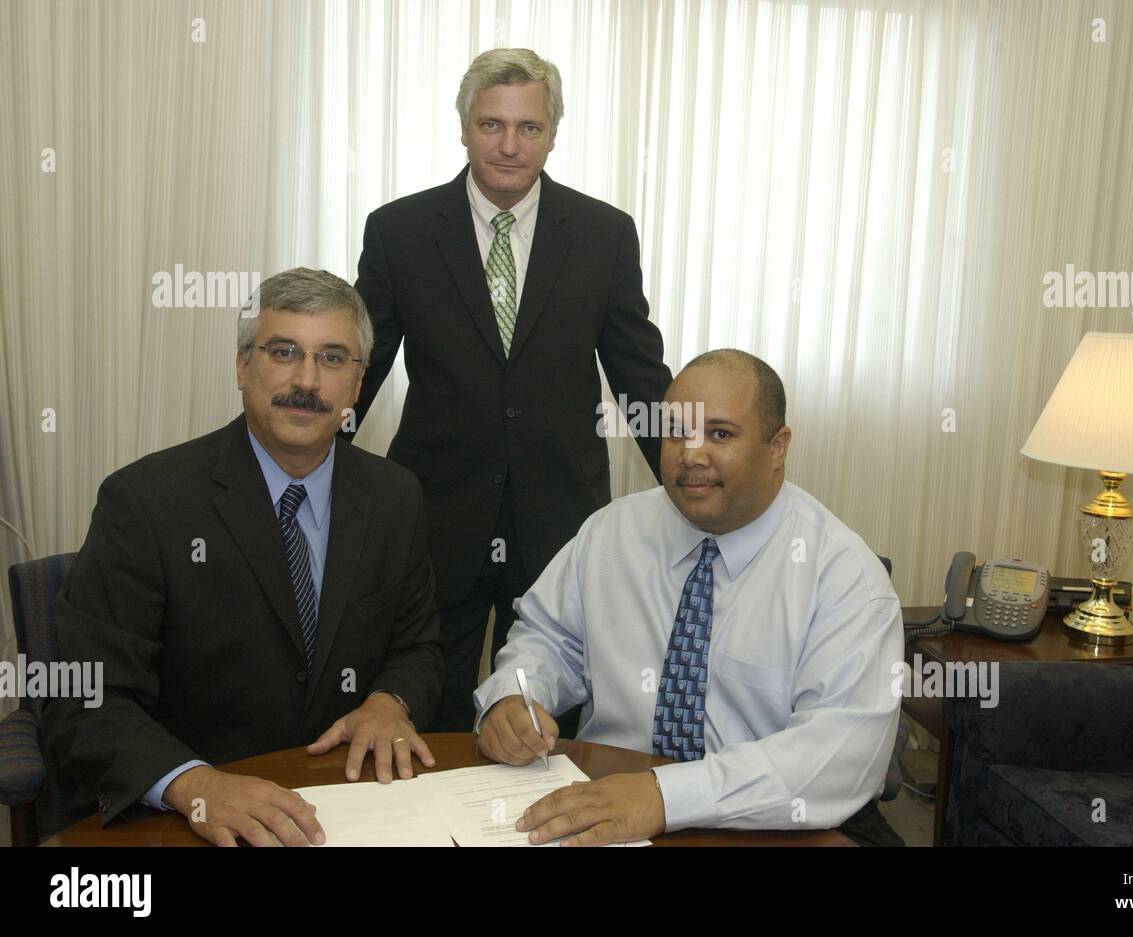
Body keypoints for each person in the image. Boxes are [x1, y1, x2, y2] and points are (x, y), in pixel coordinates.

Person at [43, 268, 444, 846]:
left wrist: (390, 699)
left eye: (333, 359)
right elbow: (83, 695)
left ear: (358, 385)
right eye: (284, 352)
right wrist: (195, 784)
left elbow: (419, 646)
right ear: (241, 366)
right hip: (188, 819)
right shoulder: (147, 502)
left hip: (353, 812)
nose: (306, 380)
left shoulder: (395, 495)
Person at [352, 48, 672, 733]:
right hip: (437, 516)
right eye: (491, 124)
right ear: (464, 128)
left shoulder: (603, 234)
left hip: (559, 517)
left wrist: (689, 473)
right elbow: (359, 366)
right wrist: (301, 478)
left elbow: (638, 375)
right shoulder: (399, 231)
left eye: (529, 127)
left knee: (542, 723)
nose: (508, 144)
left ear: (553, 133)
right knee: (428, 713)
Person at [474, 350, 904, 845]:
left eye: (720, 434)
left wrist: (665, 795)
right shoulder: (611, 533)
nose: (691, 454)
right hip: (609, 801)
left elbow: (837, 759)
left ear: (777, 446)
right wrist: (513, 695)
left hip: (779, 822)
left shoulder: (844, 577)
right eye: (677, 431)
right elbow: (549, 639)